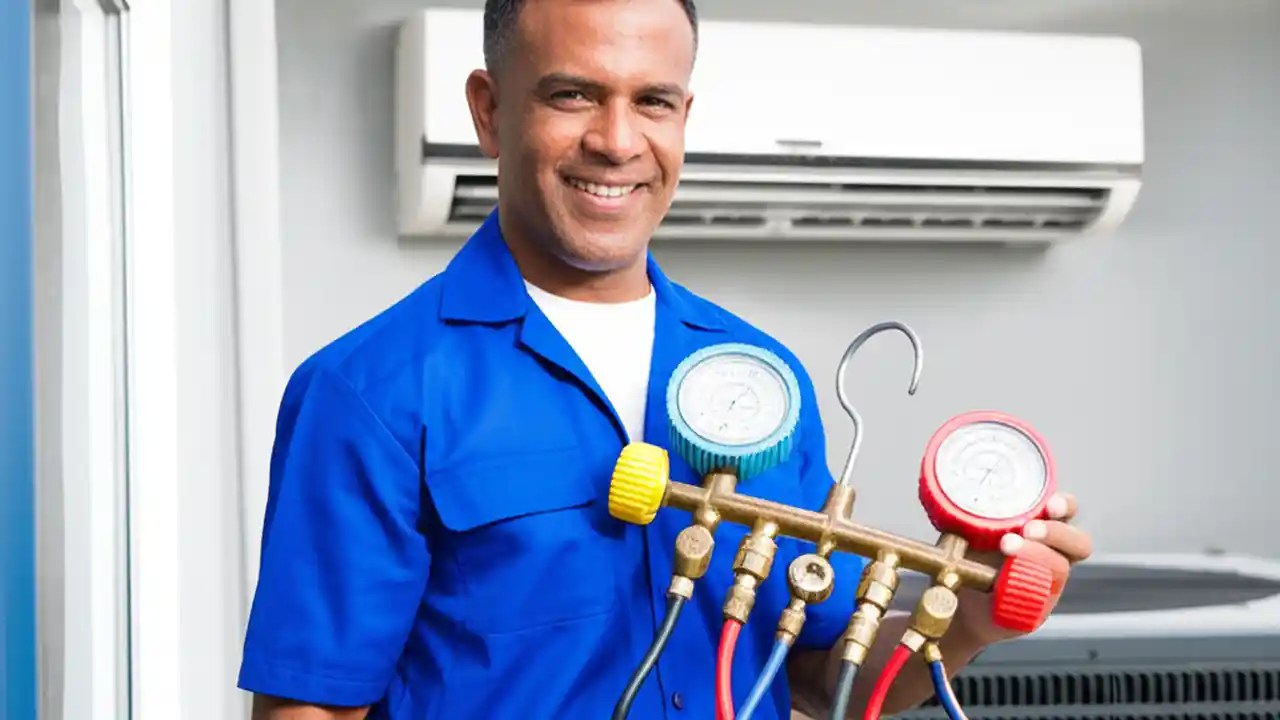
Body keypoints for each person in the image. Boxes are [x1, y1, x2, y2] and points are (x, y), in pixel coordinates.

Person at [237, 0, 1094, 717]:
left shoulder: (763, 378)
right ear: (490, 111)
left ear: (684, 117)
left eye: (652, 101)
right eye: (572, 95)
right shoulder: (369, 394)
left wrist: (971, 621)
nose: (616, 141)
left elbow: (815, 669)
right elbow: (310, 706)